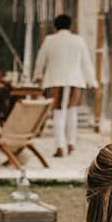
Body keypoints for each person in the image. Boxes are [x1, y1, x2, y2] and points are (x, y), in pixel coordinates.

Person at [33, 13, 93, 157]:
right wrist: (92, 81)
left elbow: (41, 60)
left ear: (55, 26)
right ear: (70, 26)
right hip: (75, 81)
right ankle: (71, 143)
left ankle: (60, 146)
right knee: (72, 112)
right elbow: (86, 62)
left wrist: (37, 75)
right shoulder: (79, 40)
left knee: (58, 113)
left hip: (55, 81)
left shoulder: (49, 40)